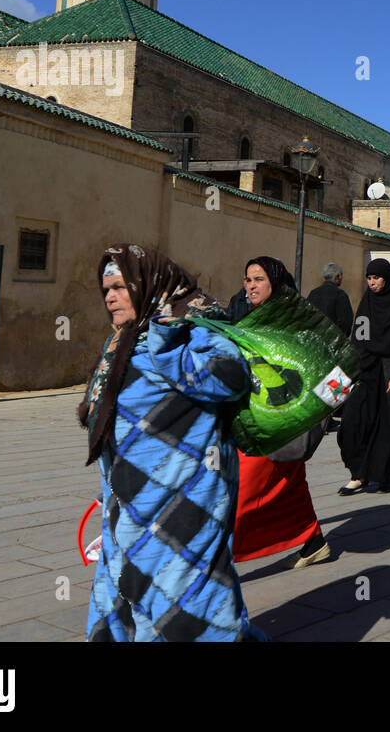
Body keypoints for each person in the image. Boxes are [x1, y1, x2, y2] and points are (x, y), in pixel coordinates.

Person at [81, 243, 265, 641]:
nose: (109, 297)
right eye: (105, 289)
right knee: (127, 597)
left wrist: (166, 348)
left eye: (118, 287)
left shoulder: (192, 328)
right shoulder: (122, 342)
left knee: (186, 603)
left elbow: (230, 376)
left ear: (148, 285)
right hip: (129, 505)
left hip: (186, 505)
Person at [229, 256, 331, 570]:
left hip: (279, 424)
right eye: (248, 279)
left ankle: (210, 560)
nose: (251, 285)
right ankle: (313, 541)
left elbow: (330, 369)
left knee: (237, 491)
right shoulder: (250, 318)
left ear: (275, 282)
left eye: (258, 279)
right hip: (254, 421)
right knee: (290, 486)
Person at [338, 258, 390, 494]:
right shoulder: (367, 304)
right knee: (355, 422)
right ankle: (358, 474)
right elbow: (359, 337)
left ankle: (388, 476)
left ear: (387, 279)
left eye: (377, 278)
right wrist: (354, 366)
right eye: (369, 278)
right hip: (367, 371)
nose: (372, 283)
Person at [308, 261, 355, 336]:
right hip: (332, 341)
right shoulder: (340, 295)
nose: (341, 278)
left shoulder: (313, 293)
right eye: (341, 276)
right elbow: (346, 321)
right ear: (337, 277)